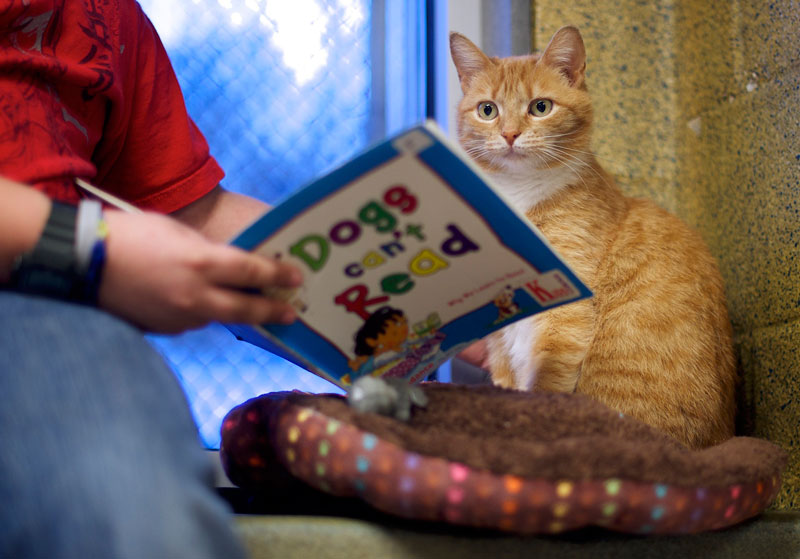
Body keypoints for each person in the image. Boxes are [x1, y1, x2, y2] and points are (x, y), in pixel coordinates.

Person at [0, 1, 303, 556]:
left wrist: (435, 300)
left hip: (56, 321)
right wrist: (88, 249)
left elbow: (195, 216)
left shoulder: (107, 17)